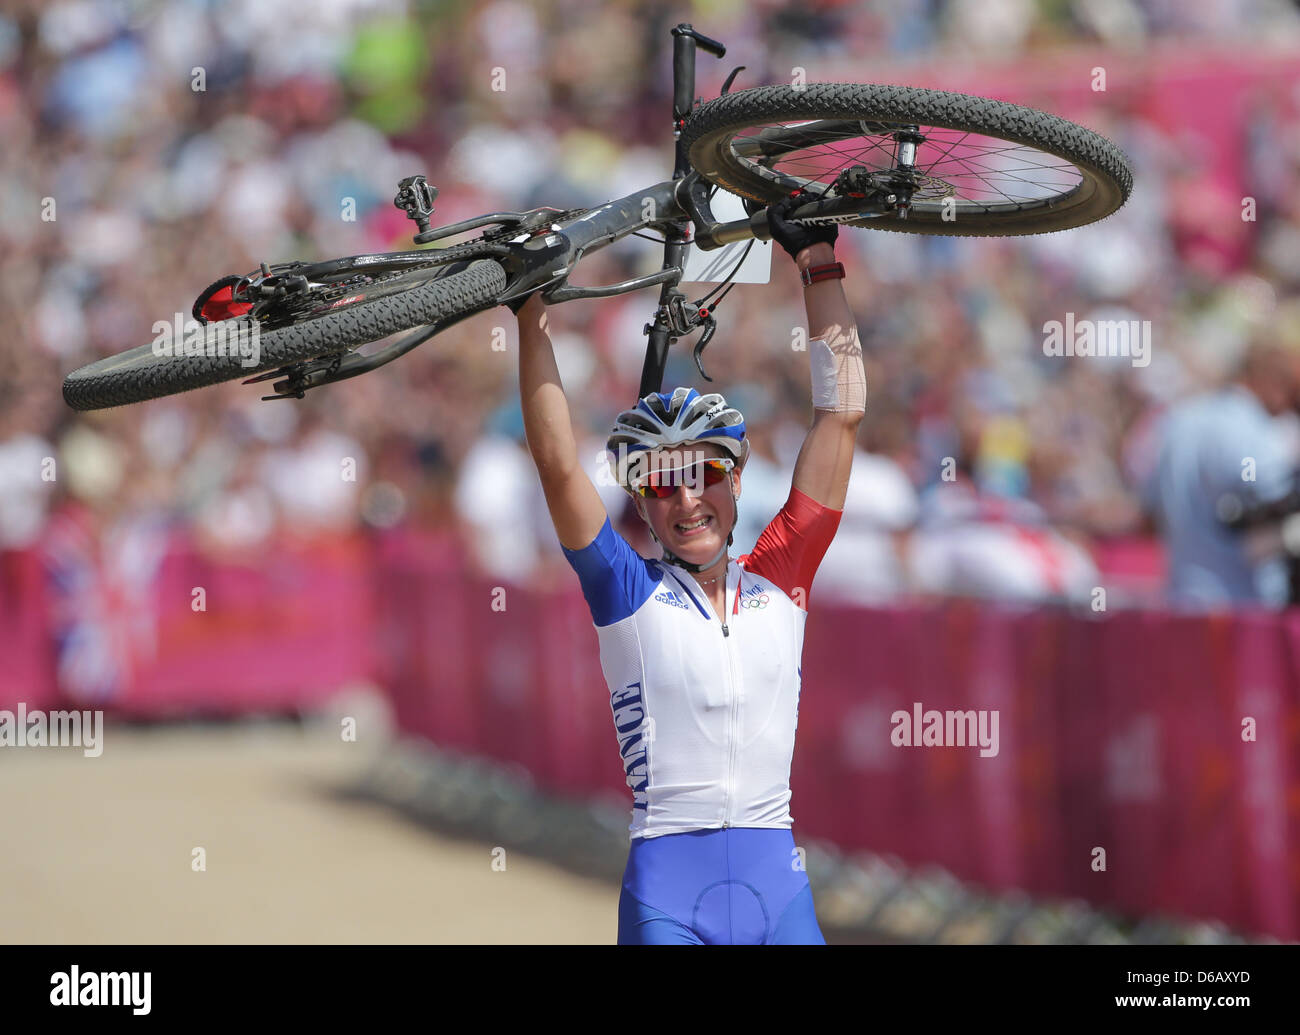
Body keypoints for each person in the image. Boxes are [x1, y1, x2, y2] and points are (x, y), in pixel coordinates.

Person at [511, 194, 866, 945]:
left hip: (780, 888)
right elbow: (555, 465)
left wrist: (817, 264)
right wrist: (530, 308)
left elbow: (839, 417)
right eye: (661, 483)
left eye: (701, 474)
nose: (685, 500)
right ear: (641, 499)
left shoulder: (782, 575)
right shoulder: (626, 589)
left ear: (735, 482)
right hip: (670, 898)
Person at [1142, 335, 1300, 608]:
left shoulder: (1179, 419)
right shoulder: (1251, 431)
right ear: (1272, 382)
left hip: (1182, 598)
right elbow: (1272, 503)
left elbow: (1149, 511)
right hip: (1242, 607)